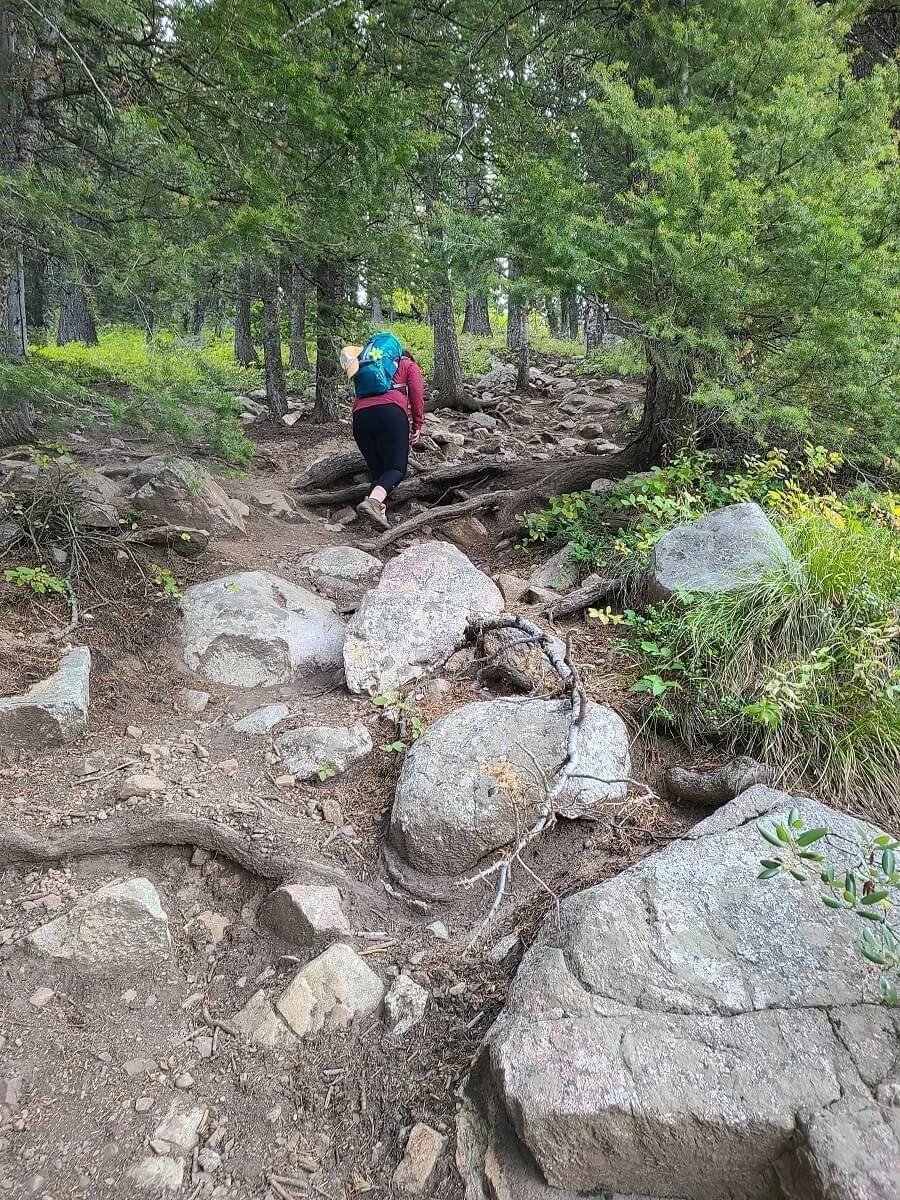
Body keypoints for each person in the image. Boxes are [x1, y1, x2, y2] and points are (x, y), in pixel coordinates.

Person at [341, 332, 424, 529]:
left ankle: (377, 518)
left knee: (379, 474)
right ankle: (373, 503)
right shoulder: (408, 365)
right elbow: (416, 394)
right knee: (396, 469)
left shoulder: (368, 365)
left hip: (360, 417)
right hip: (390, 414)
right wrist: (417, 424)